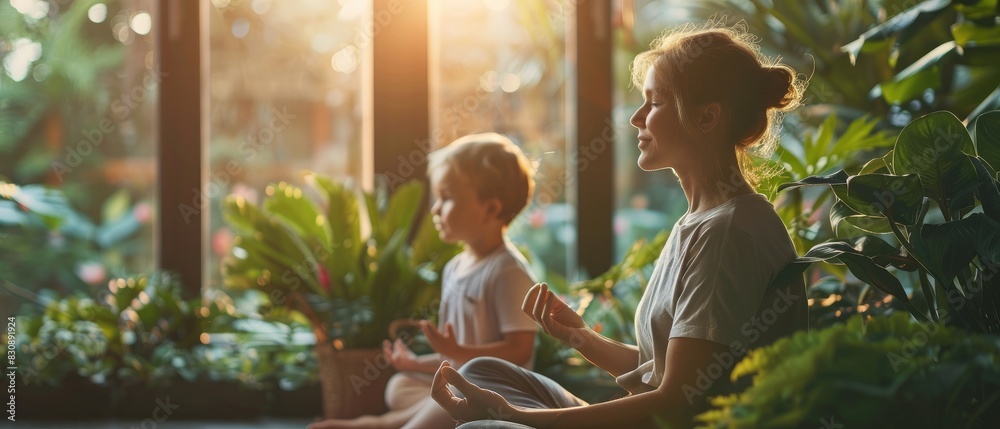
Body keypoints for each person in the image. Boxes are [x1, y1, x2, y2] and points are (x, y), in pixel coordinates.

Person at [428, 22, 807, 429]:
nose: (637, 118)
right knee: (483, 371)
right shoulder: (698, 222)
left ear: (707, 117)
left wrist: (518, 416)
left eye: (655, 103)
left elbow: (676, 400)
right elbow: (659, 370)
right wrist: (581, 336)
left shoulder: (728, 232)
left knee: (483, 426)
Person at [309, 133, 540, 429]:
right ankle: (399, 420)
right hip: (462, 385)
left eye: (447, 198)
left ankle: (385, 424)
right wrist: (417, 364)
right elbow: (454, 359)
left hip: (495, 397)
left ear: (491, 209)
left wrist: (458, 353)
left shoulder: (508, 272)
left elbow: (519, 351)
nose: (435, 209)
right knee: (400, 386)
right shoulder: (455, 268)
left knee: (452, 404)